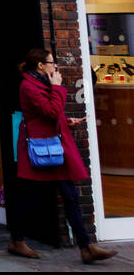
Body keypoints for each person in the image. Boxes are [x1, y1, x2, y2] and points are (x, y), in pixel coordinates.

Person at [8, 48, 117, 263]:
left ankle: (86, 247)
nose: (55, 66)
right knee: (31, 196)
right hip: (41, 149)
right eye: (52, 62)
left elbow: (50, 113)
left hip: (53, 147)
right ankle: (16, 240)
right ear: (40, 65)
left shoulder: (39, 82)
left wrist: (65, 120)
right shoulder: (29, 86)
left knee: (70, 196)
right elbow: (49, 111)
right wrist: (57, 87)